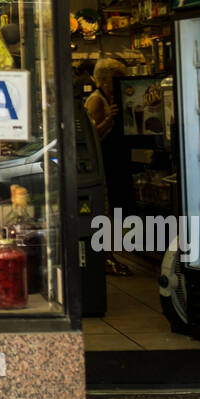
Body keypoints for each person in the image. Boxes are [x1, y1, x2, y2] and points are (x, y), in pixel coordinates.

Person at [85, 57, 132, 276]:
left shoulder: (112, 98)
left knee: (112, 208)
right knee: (104, 208)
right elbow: (91, 135)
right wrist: (109, 120)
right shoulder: (97, 100)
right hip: (102, 161)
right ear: (104, 80)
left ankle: (109, 254)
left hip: (113, 160)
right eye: (117, 78)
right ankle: (105, 256)